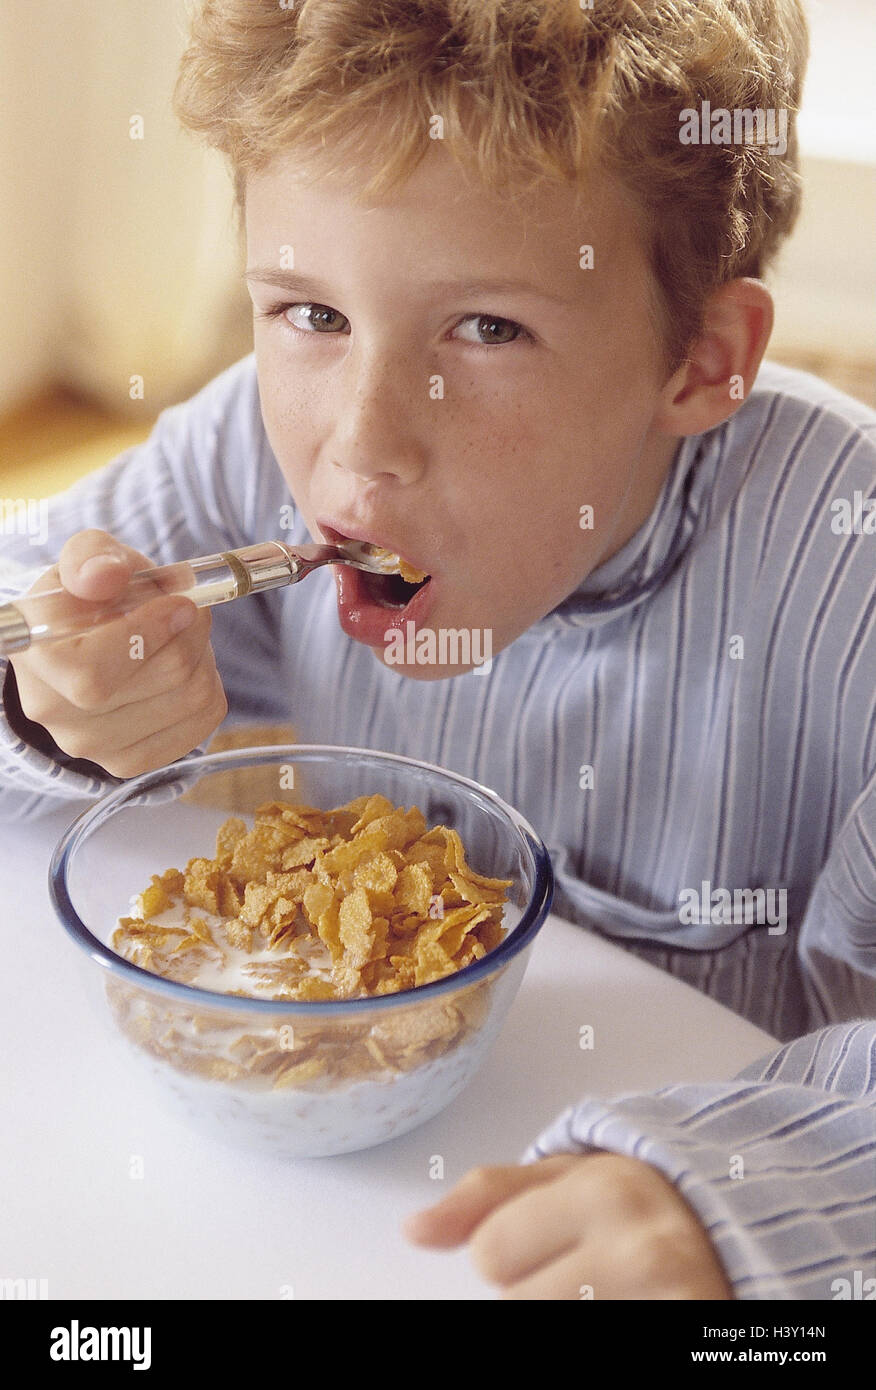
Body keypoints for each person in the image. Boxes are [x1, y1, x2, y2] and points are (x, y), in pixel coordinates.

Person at [1, 0, 873, 1300]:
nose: (360, 445)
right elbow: (26, 598)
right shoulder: (249, 445)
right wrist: (46, 694)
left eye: (487, 331)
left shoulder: (845, 575)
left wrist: (758, 1187)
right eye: (307, 311)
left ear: (701, 359)